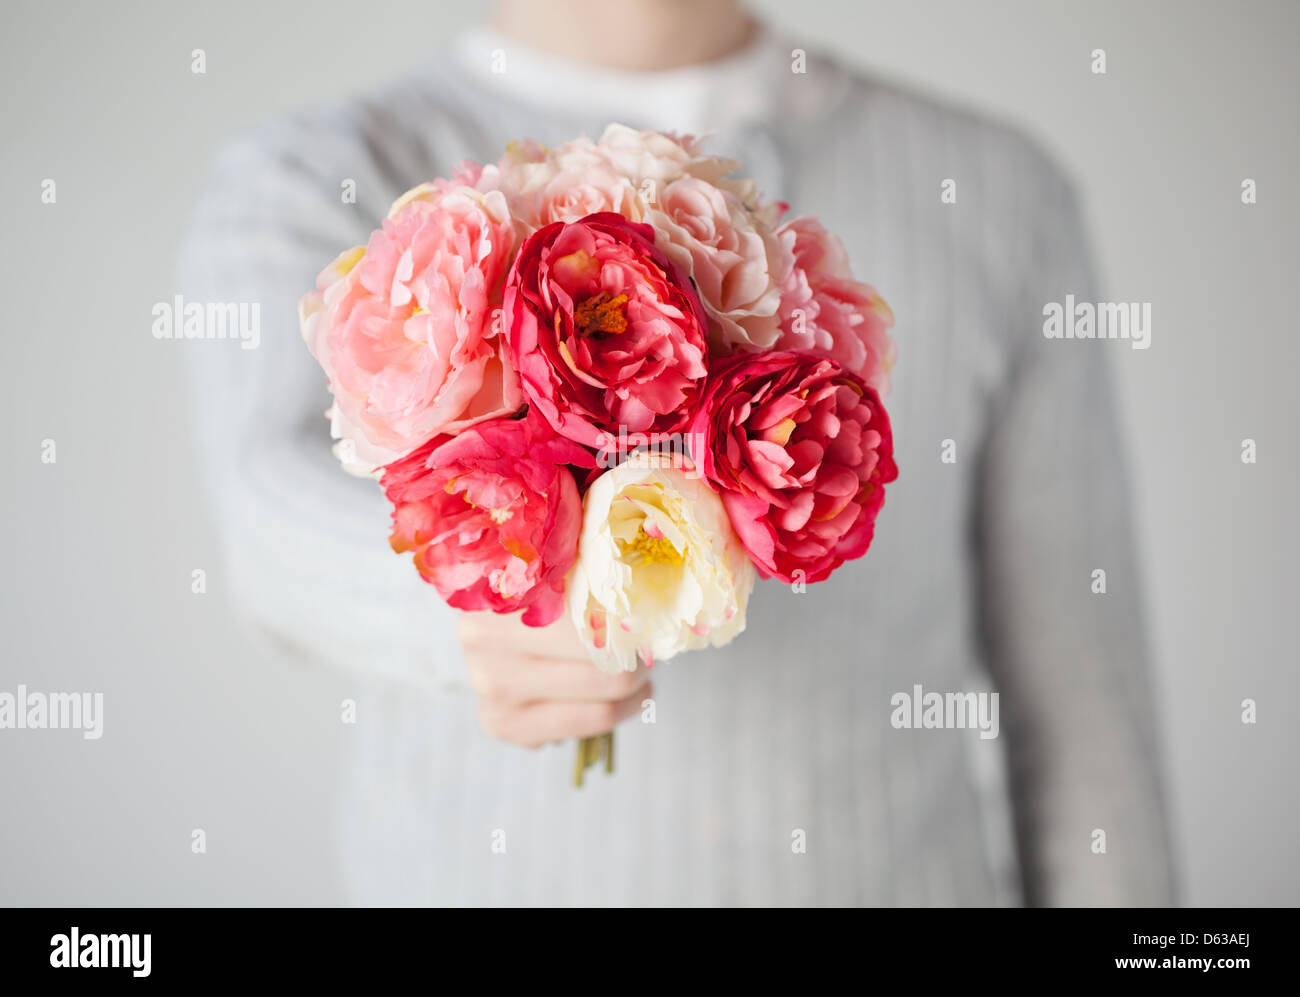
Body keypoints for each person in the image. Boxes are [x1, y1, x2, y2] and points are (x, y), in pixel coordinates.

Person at [179, 0, 1175, 905]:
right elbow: (268, 509)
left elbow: (1087, 714)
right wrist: (474, 594)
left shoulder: (998, 191)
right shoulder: (316, 172)